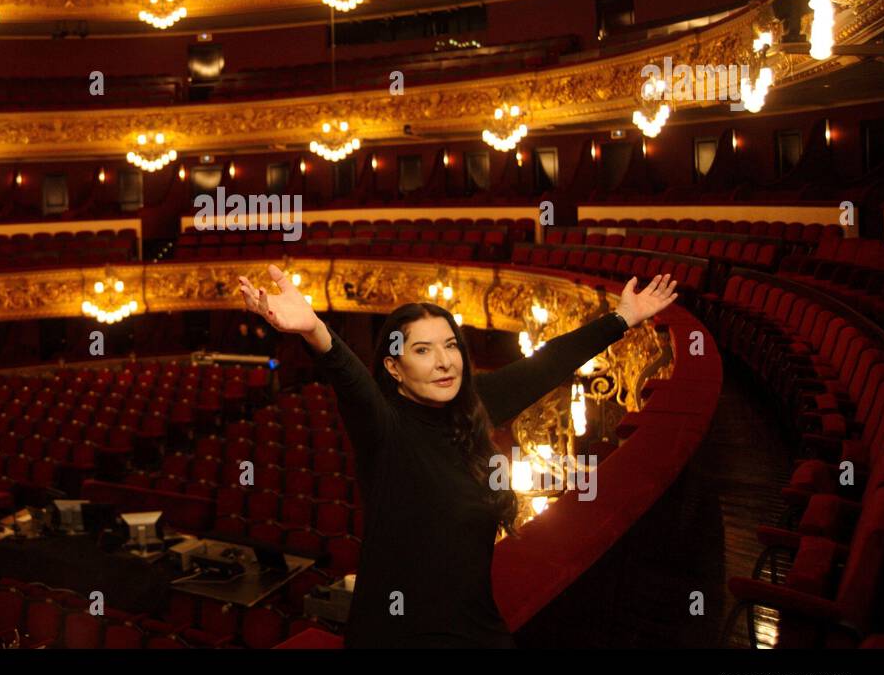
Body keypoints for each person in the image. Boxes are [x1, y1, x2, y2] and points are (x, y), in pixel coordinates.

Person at [238, 264, 678, 648]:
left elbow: (548, 363)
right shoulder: (385, 427)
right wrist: (316, 330)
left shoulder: (475, 404)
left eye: (450, 346)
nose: (444, 362)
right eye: (423, 350)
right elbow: (350, 380)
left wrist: (624, 317)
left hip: (476, 627)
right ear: (394, 368)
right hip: (398, 637)